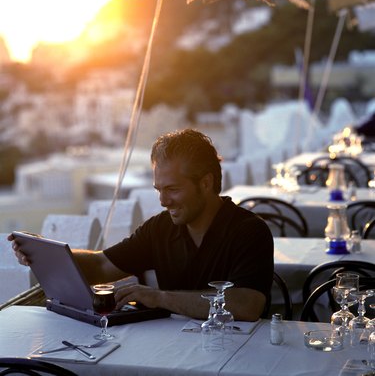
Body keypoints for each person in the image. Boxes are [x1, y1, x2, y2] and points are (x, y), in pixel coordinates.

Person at [9, 129, 274, 321]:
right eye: (158, 189)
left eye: (172, 189)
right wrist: (42, 253)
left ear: (205, 183)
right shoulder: (160, 229)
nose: (162, 201)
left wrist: (159, 297)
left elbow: (247, 304)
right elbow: (101, 265)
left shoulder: (249, 231)